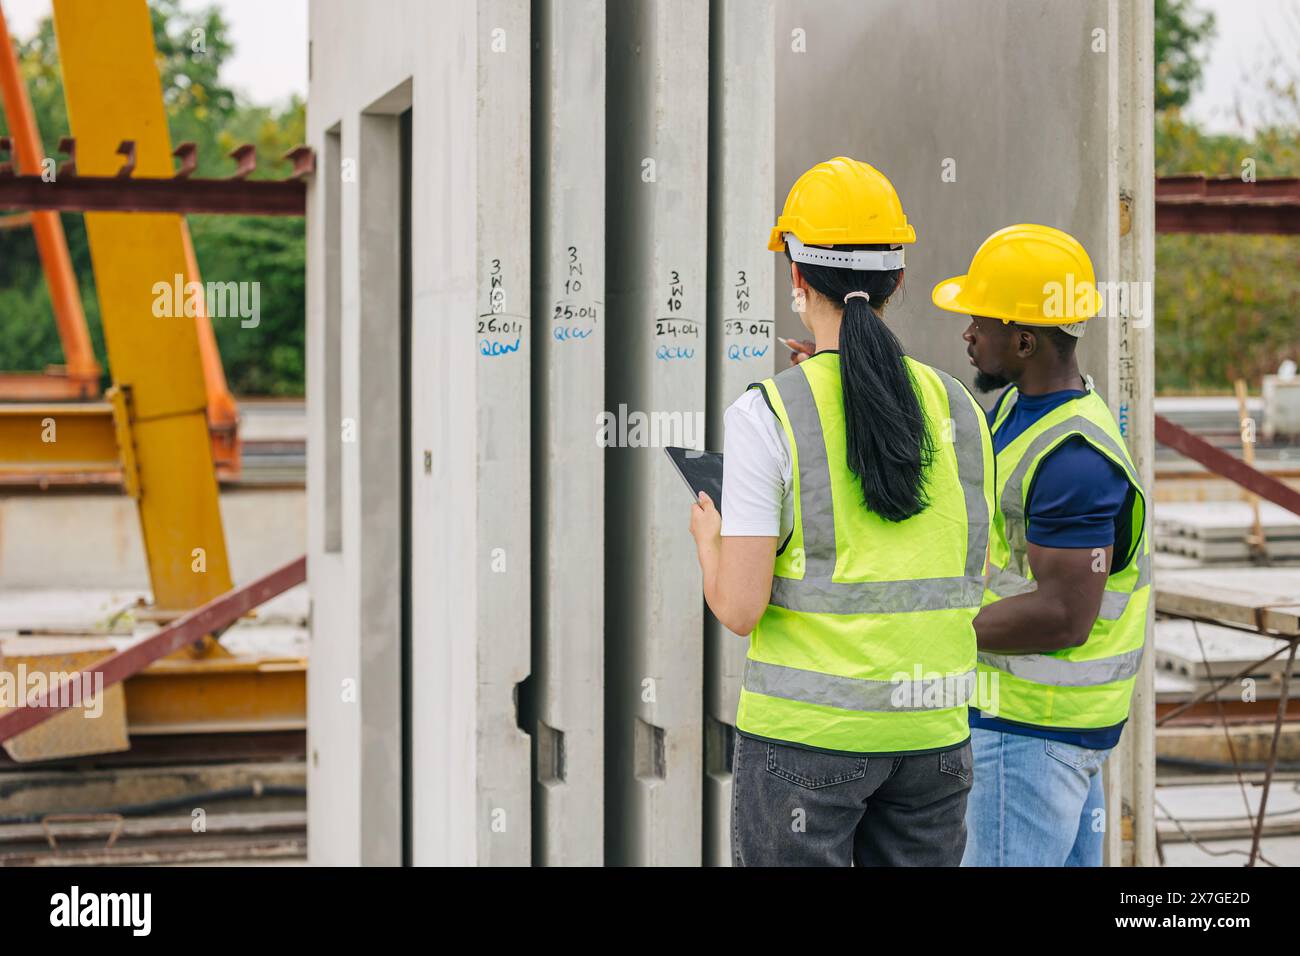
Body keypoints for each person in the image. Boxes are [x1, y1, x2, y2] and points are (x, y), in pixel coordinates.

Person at [688, 157, 994, 866]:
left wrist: (712, 537)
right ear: (900, 280)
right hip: (932, 738)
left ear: (797, 278)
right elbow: (970, 572)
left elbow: (739, 606)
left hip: (807, 744)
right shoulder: (960, 409)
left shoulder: (769, 414)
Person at [930, 224, 1151, 867]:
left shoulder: (1075, 459)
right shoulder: (1018, 411)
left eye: (980, 321)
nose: (968, 334)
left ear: (1025, 340)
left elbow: (1065, 616)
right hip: (1041, 728)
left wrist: (936, 632)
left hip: (1030, 735)